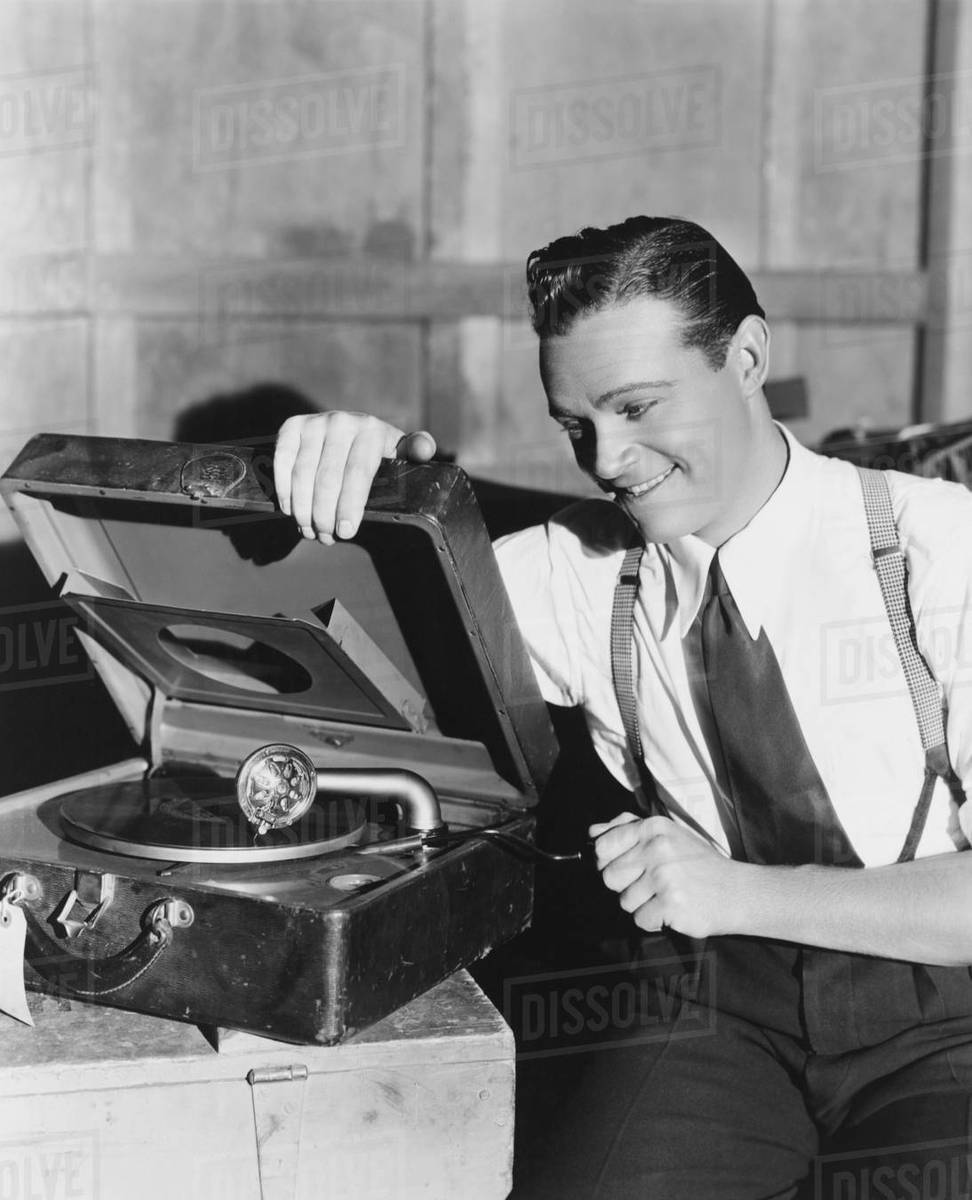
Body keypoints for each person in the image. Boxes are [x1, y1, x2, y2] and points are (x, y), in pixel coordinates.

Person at [273, 216, 972, 1198]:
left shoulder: (939, 549)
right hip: (719, 1008)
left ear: (747, 359)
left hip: (945, 1016)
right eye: (576, 426)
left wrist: (739, 893)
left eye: (638, 407)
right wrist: (370, 480)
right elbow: (330, 659)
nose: (606, 459)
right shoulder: (580, 568)